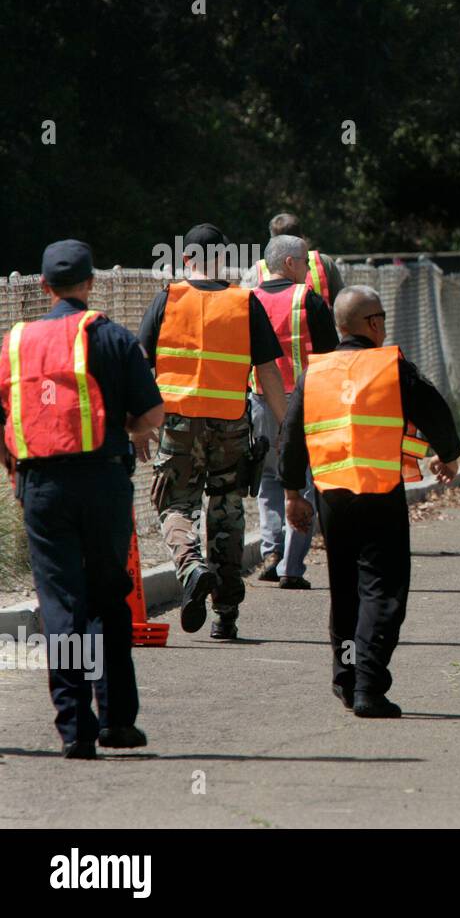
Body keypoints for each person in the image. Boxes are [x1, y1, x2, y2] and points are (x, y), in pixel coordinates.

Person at [0, 240, 164, 758]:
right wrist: (129, 428)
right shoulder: (112, 337)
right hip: (104, 482)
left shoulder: (15, 342)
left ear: (43, 288)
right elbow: (152, 415)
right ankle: (116, 720)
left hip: (41, 487)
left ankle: (75, 728)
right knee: (107, 596)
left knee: (61, 603)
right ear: (91, 283)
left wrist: (16, 470)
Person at [280, 285, 460, 717]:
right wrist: (449, 455)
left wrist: (292, 493)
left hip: (332, 497)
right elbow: (433, 408)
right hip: (379, 494)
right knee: (383, 589)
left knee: (344, 591)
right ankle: (368, 685)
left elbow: (290, 436)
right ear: (374, 323)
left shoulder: (316, 371)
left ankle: (345, 678)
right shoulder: (390, 366)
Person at [137, 223, 287, 639]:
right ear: (222, 259)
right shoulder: (245, 302)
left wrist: (136, 423)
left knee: (174, 505)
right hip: (231, 424)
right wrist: (287, 425)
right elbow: (269, 372)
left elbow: (139, 365)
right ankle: (227, 614)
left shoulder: (168, 299)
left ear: (185, 260)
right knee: (227, 510)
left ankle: (190, 566)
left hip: (179, 423)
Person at [249, 234, 339, 588]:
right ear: (289, 263)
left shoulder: (248, 300)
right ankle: (291, 566)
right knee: (301, 481)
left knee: (269, 479)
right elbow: (332, 356)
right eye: (303, 263)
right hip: (303, 405)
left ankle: (272, 550)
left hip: (258, 400)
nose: (306, 270)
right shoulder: (308, 300)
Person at [244, 212, 344, 305]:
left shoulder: (256, 271)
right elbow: (342, 304)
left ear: (272, 241)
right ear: (301, 237)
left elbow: (244, 306)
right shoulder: (324, 263)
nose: (307, 266)